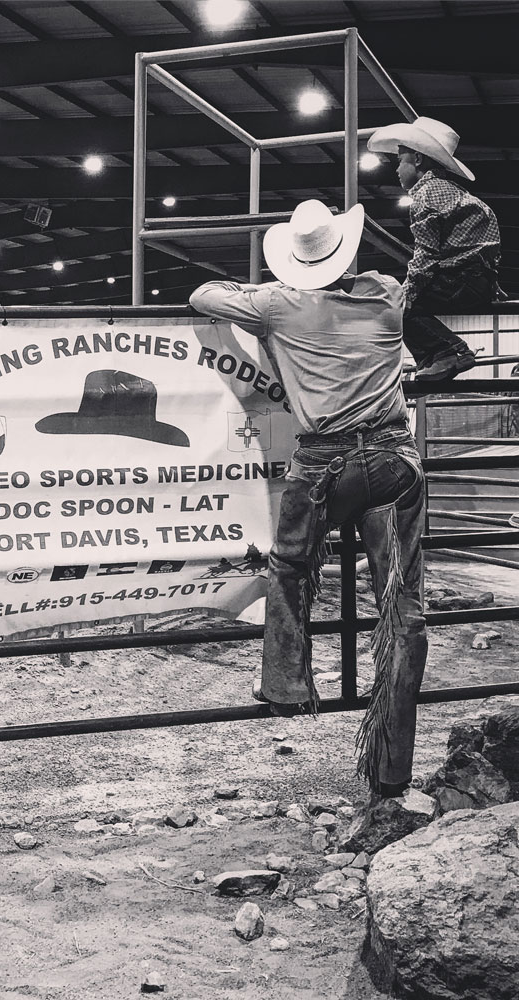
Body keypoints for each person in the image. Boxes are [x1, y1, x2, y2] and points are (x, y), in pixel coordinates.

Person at [188, 199, 427, 803]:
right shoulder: (384, 297)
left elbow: (204, 296)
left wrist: (268, 288)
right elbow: (405, 286)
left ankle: (288, 687)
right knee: (401, 602)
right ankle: (393, 761)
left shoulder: (276, 305)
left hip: (323, 464)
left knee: (290, 570)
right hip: (394, 461)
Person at [367, 117, 502, 381]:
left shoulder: (425, 196)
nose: (396, 169)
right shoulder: (450, 190)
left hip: (463, 280)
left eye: (400, 160)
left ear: (417, 159)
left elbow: (426, 257)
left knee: (394, 302)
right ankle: (434, 358)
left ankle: (450, 351)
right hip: (478, 279)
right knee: (404, 301)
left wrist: (406, 293)